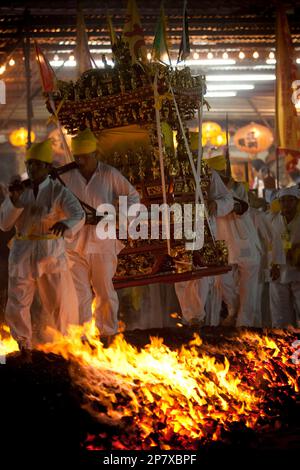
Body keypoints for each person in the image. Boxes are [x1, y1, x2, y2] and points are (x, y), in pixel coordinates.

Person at [0, 140, 85, 352]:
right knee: (18, 302)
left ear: (48, 167)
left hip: (51, 254)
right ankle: (23, 345)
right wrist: (15, 201)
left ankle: (67, 347)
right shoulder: (19, 191)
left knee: (61, 300)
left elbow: (79, 214)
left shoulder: (58, 191)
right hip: (22, 252)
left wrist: (65, 223)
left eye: (37, 164)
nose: (31, 168)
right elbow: (4, 224)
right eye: (29, 163)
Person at [61, 128, 140, 338]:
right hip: (74, 244)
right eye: (76, 157)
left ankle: (107, 334)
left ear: (95, 155)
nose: (80, 161)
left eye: (84, 157)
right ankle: (83, 338)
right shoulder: (66, 176)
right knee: (81, 294)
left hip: (103, 241)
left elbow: (133, 197)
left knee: (104, 291)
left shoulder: (109, 174)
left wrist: (117, 219)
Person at [175, 155, 234, 326]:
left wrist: (215, 204)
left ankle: (197, 319)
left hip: (204, 231)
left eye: (193, 153)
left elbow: (227, 199)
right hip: (178, 230)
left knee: (201, 276)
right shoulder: (171, 171)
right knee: (181, 275)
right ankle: (189, 318)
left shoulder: (208, 173)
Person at [269, 186, 300, 327]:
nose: (286, 203)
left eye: (290, 200)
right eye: (283, 200)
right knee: (280, 313)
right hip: (278, 271)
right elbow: (267, 245)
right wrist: (272, 265)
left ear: (297, 202)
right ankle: (284, 341)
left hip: (298, 271)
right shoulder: (272, 220)